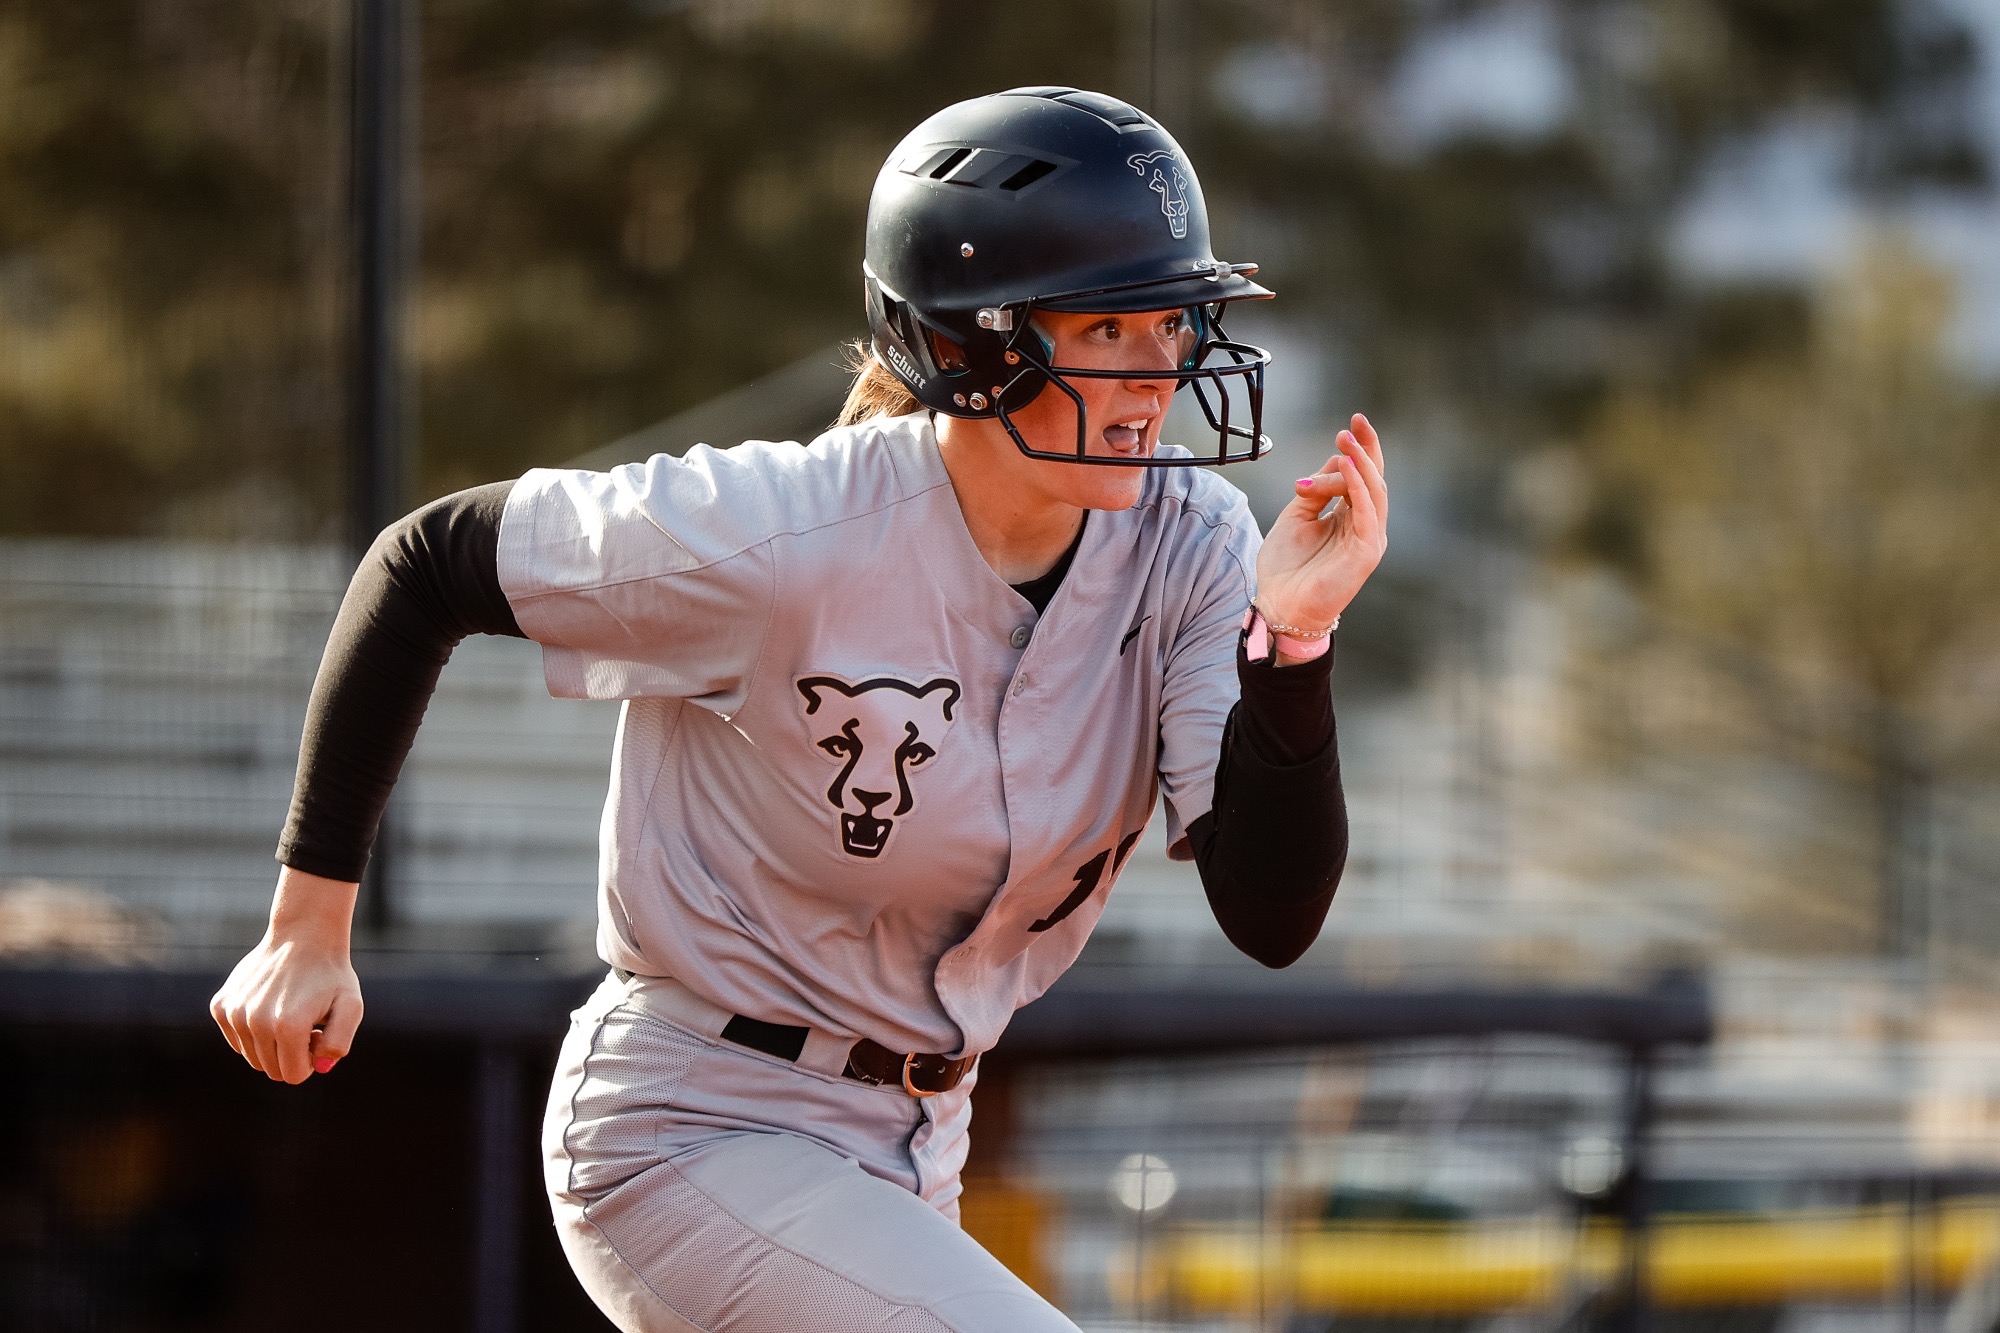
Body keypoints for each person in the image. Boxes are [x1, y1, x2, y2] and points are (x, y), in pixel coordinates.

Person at [209, 87, 1387, 1332]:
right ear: (970, 343)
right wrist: (306, 926)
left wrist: (1294, 641)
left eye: (1172, 323)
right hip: (693, 1122)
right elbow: (425, 562)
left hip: (915, 1143)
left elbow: (1268, 912)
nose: (1158, 376)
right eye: (1110, 328)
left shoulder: (1191, 547)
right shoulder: (781, 531)